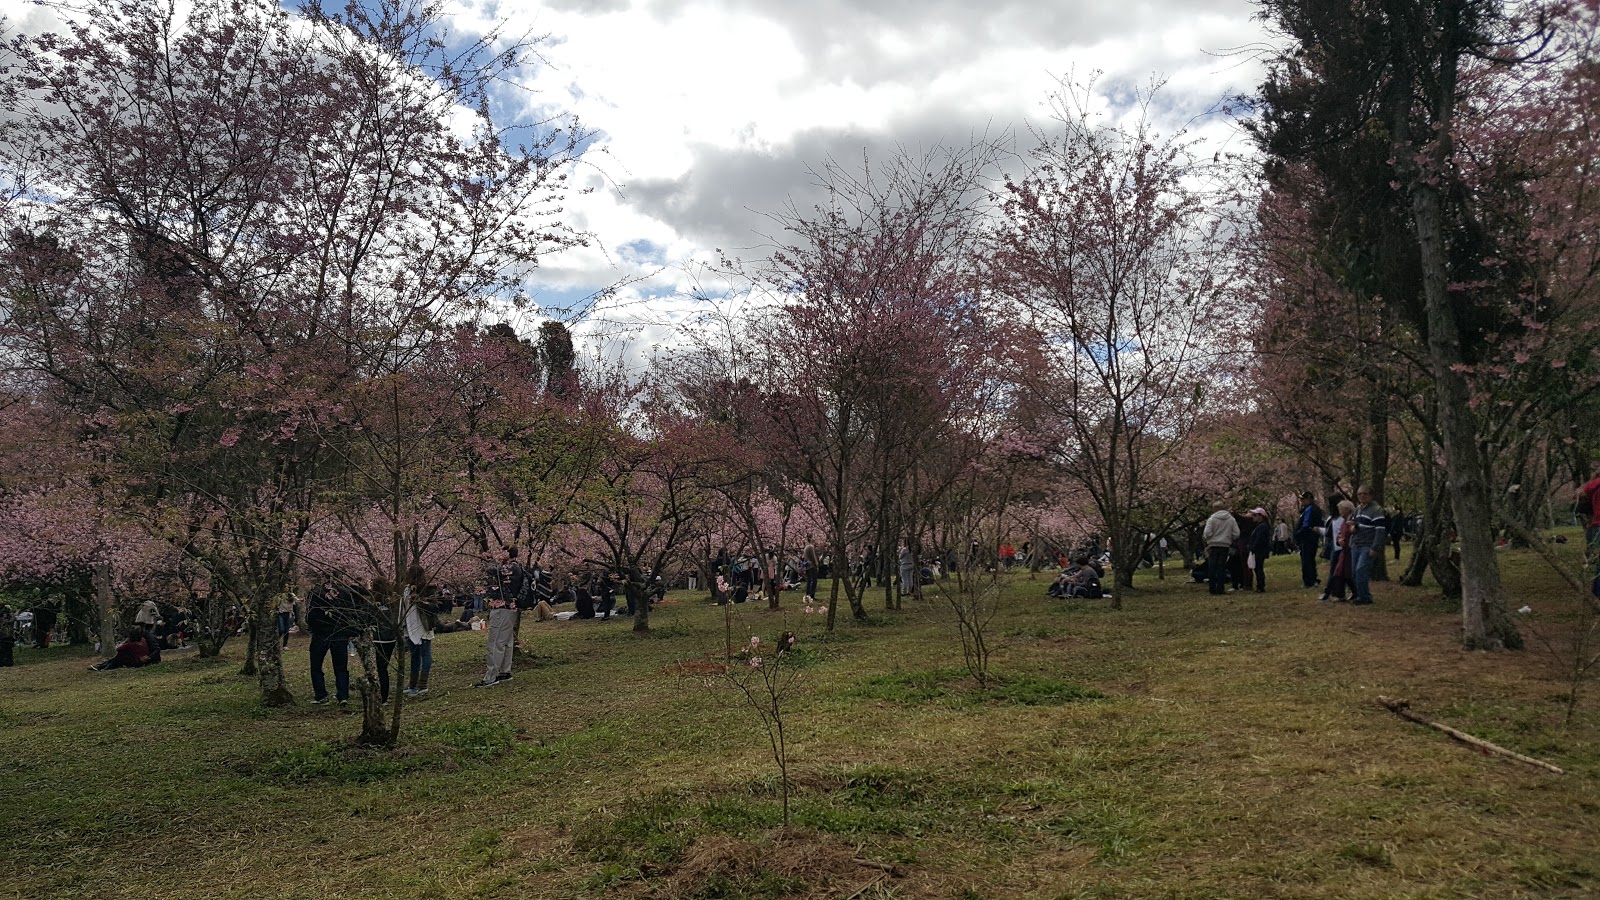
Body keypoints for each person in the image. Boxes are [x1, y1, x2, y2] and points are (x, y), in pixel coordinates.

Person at [474, 546, 528, 687]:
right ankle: (505, 671)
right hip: (510, 607)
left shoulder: (509, 567)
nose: (499, 554)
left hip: (503, 607)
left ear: (508, 553)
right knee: (507, 640)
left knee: (495, 641)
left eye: (502, 551)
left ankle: (491, 676)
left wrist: (489, 559)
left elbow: (491, 569)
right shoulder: (517, 567)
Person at [307, 579, 360, 704]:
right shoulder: (345, 592)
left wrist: (313, 627)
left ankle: (321, 695)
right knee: (341, 667)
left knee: (316, 666)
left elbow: (311, 614)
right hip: (340, 632)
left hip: (321, 633)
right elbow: (351, 612)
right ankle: (343, 695)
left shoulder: (316, 593)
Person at [1349, 486, 1388, 606]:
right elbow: (1354, 523)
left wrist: (1375, 547)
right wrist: (1353, 527)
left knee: (1361, 570)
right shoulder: (1358, 509)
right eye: (1359, 494)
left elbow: (1380, 530)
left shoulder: (1376, 510)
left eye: (1365, 494)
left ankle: (1365, 597)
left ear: (1370, 496)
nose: (1362, 496)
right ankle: (1359, 594)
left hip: (1367, 545)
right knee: (1354, 572)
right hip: (1356, 544)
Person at [403, 587, 438, 697]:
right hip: (409, 627)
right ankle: (412, 683)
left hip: (423, 627)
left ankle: (422, 684)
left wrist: (420, 602)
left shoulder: (426, 589)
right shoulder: (405, 590)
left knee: (425, 654)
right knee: (414, 655)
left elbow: (434, 607)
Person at [1319, 500, 1356, 603]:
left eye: (1341, 509)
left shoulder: (1350, 521)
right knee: (1341, 572)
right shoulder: (1342, 521)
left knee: (1340, 572)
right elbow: (1339, 534)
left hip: (1347, 550)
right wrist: (1339, 540)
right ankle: (1350, 592)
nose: (1339, 511)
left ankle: (1330, 593)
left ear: (1347, 510)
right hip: (1341, 548)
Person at [1202, 501, 1239, 596]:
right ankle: (1220, 588)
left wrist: (1210, 538)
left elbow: (1207, 533)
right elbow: (1236, 533)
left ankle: (1212, 588)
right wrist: (1229, 538)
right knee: (1221, 567)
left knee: (1212, 567)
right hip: (1225, 545)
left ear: (1215, 509)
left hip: (1213, 545)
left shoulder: (1212, 519)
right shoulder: (1231, 519)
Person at [1294, 492, 1325, 589]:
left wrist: (1298, 534)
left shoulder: (1310, 509)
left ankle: (1310, 581)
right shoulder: (1308, 509)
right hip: (1310, 537)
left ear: (1309, 499)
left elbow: (1306, 525)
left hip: (1308, 538)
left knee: (1307, 559)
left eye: (1303, 499)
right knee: (1309, 559)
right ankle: (1312, 579)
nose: (1301, 501)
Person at [0, 602, 14, 667]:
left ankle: (7, 661)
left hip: (6, 634)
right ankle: (5, 661)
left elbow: (12, 620)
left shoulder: (8, 613)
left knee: (7, 648)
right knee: (4, 648)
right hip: (4, 634)